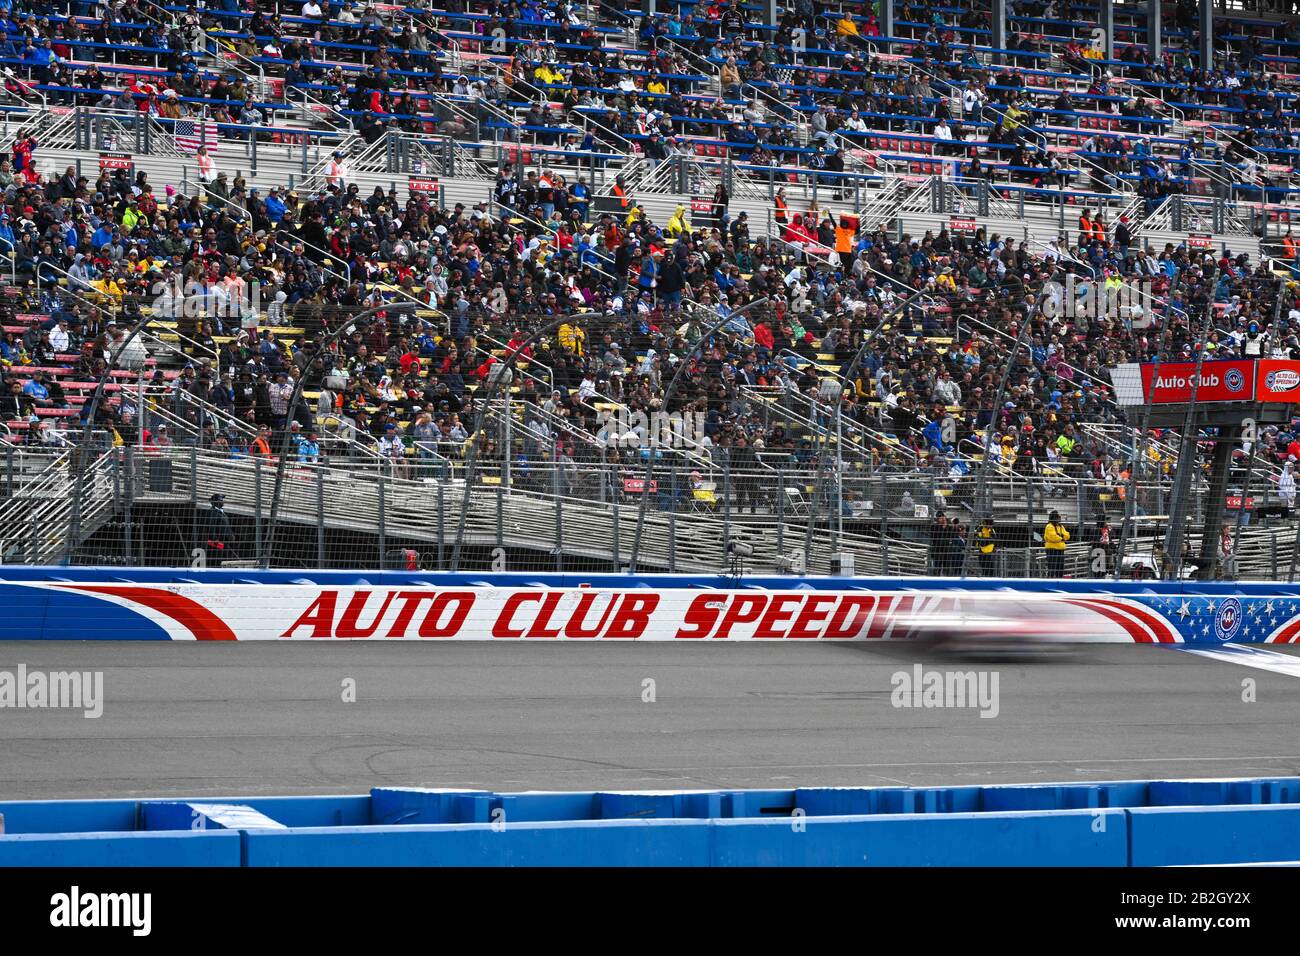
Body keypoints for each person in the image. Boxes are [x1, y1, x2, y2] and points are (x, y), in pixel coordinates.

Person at [204, 494, 235, 566]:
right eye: (220, 500)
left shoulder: (221, 512)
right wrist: (215, 539)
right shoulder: (212, 512)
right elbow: (211, 526)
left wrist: (231, 535)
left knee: (225, 559)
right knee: (217, 560)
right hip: (217, 542)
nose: (222, 502)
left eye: (222, 500)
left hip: (225, 542)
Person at [1043, 510, 1069, 577]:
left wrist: (1060, 537)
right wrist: (1062, 538)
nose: (1059, 519)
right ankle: (1051, 581)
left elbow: (1067, 535)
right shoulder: (1049, 526)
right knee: (1052, 568)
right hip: (1052, 549)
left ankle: (1059, 580)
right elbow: (1053, 537)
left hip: (1060, 549)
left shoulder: (1061, 526)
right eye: (1057, 517)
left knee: (1060, 568)